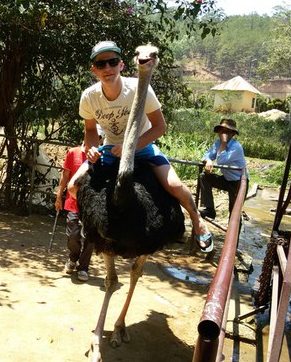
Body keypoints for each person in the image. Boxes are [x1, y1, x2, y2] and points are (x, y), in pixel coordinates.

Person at [69, 40, 213, 252]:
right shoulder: (89, 97)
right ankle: (90, 223)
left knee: (174, 186)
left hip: (143, 147)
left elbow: (160, 127)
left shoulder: (138, 89)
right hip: (109, 149)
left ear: (121, 65)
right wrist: (91, 149)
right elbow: (90, 130)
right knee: (73, 187)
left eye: (112, 62)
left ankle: (197, 220)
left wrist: (131, 147)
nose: (107, 68)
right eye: (101, 64)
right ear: (94, 70)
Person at [55, 143, 94, 282]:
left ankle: (84, 267)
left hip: (92, 205)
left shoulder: (101, 156)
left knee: (90, 237)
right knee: (72, 235)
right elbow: (65, 175)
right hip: (73, 202)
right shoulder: (73, 152)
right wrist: (59, 195)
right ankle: (73, 258)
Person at [199, 118, 248, 221]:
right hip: (227, 179)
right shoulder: (217, 143)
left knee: (234, 213)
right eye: (221, 130)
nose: (223, 134)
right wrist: (208, 160)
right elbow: (207, 155)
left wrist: (224, 143)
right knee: (204, 177)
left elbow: (221, 161)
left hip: (238, 182)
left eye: (226, 131)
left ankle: (234, 231)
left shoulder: (236, 147)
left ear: (232, 134)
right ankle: (210, 210)